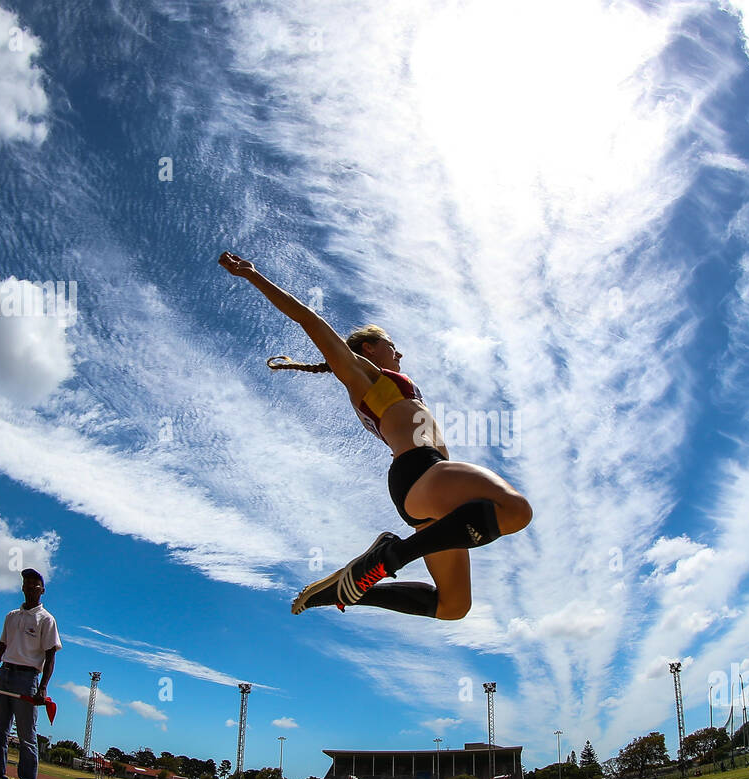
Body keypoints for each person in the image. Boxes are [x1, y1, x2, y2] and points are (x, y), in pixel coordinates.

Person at [219, 252, 532, 619]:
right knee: (516, 510)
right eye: (390, 344)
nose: (398, 352)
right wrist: (254, 276)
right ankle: (392, 555)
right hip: (420, 470)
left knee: (453, 606)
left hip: (424, 492)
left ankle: (345, 590)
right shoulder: (364, 377)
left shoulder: (386, 387)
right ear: (368, 348)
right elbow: (310, 319)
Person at [0, 568, 60, 779]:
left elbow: (50, 656)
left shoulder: (46, 620)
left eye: (35, 585)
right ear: (22, 588)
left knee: (26, 736)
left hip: (27, 679)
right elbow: (1, 648)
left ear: (43, 590)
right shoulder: (12, 616)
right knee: (0, 731)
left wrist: (42, 687)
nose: (30, 588)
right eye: (26, 584)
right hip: (5, 674)